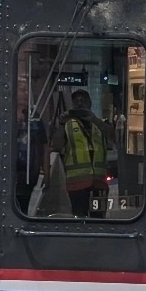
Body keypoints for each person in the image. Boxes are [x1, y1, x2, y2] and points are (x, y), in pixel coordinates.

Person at [50, 89, 113, 218]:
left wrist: (94, 119)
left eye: (83, 100)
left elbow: (114, 137)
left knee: (99, 219)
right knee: (79, 218)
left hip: (98, 182)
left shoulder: (99, 124)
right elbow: (56, 146)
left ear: (90, 103)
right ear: (72, 105)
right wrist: (61, 124)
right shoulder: (67, 125)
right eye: (76, 101)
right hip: (77, 184)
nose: (80, 104)